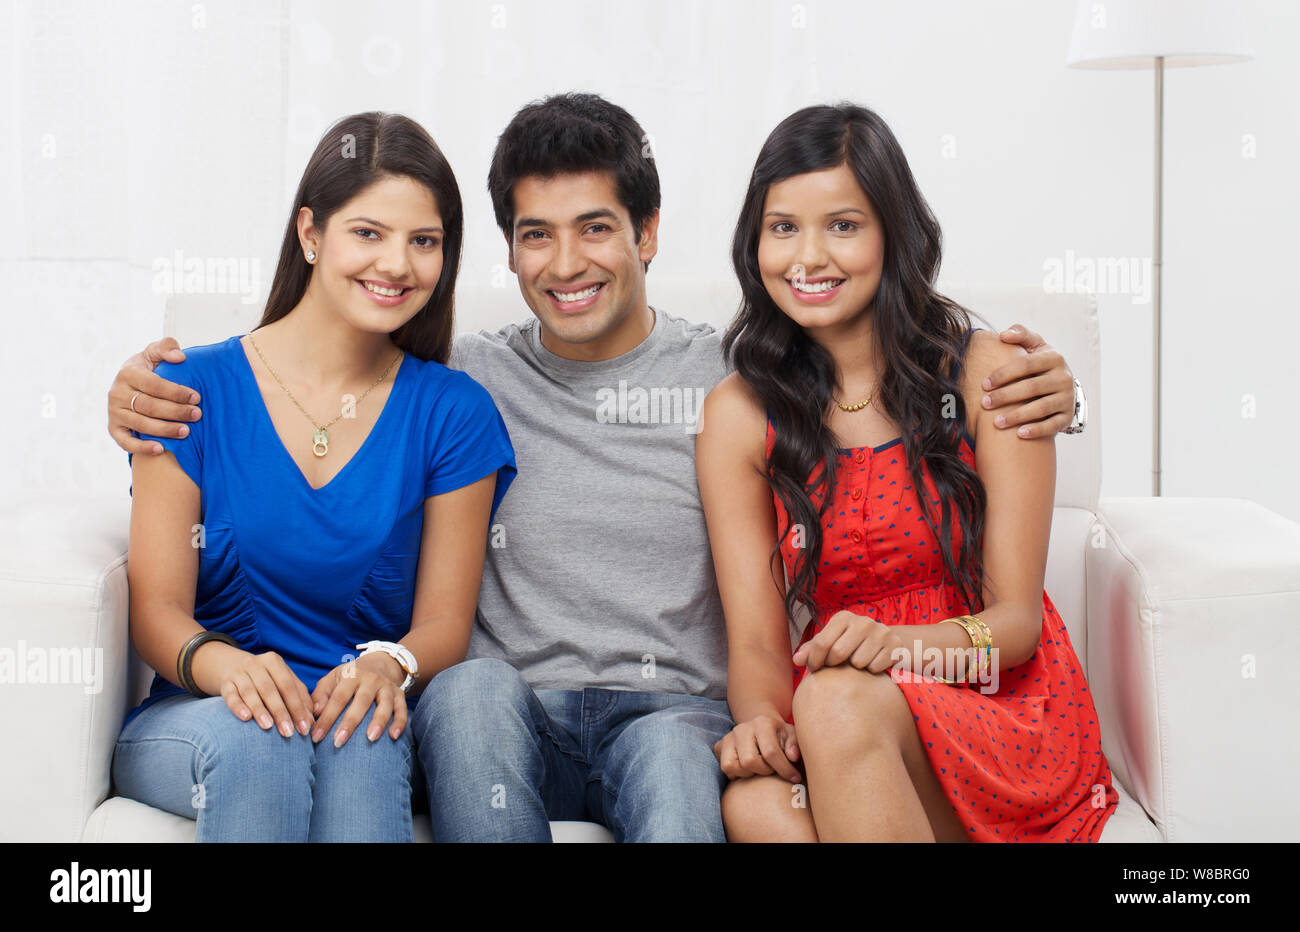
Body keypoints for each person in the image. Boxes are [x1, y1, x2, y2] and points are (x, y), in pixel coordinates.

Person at [108, 93, 1082, 843]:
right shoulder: (462, 381)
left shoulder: (738, 384)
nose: (566, 262)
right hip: (507, 706)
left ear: (648, 234)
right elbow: (325, 372)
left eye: (597, 227)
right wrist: (133, 397)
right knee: (473, 691)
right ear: (507, 253)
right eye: (536, 234)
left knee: (675, 765)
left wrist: (1059, 396)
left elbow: (874, 410)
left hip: (669, 705)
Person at [697, 103, 1117, 842]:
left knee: (832, 699)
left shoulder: (991, 373)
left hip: (994, 703)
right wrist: (763, 725)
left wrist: (898, 650)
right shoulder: (739, 412)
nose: (808, 257)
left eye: (844, 225)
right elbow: (760, 645)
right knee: (754, 804)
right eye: (783, 226)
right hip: (851, 719)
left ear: (896, 233)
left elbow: (1013, 626)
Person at [112, 111, 517, 841]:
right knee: (262, 736)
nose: (396, 265)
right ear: (310, 233)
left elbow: (443, 625)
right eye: (368, 232)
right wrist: (226, 666)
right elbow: (157, 613)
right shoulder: (184, 389)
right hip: (202, 714)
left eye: (424, 242)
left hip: (357, 715)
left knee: (360, 733)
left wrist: (390, 666)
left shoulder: (453, 411)